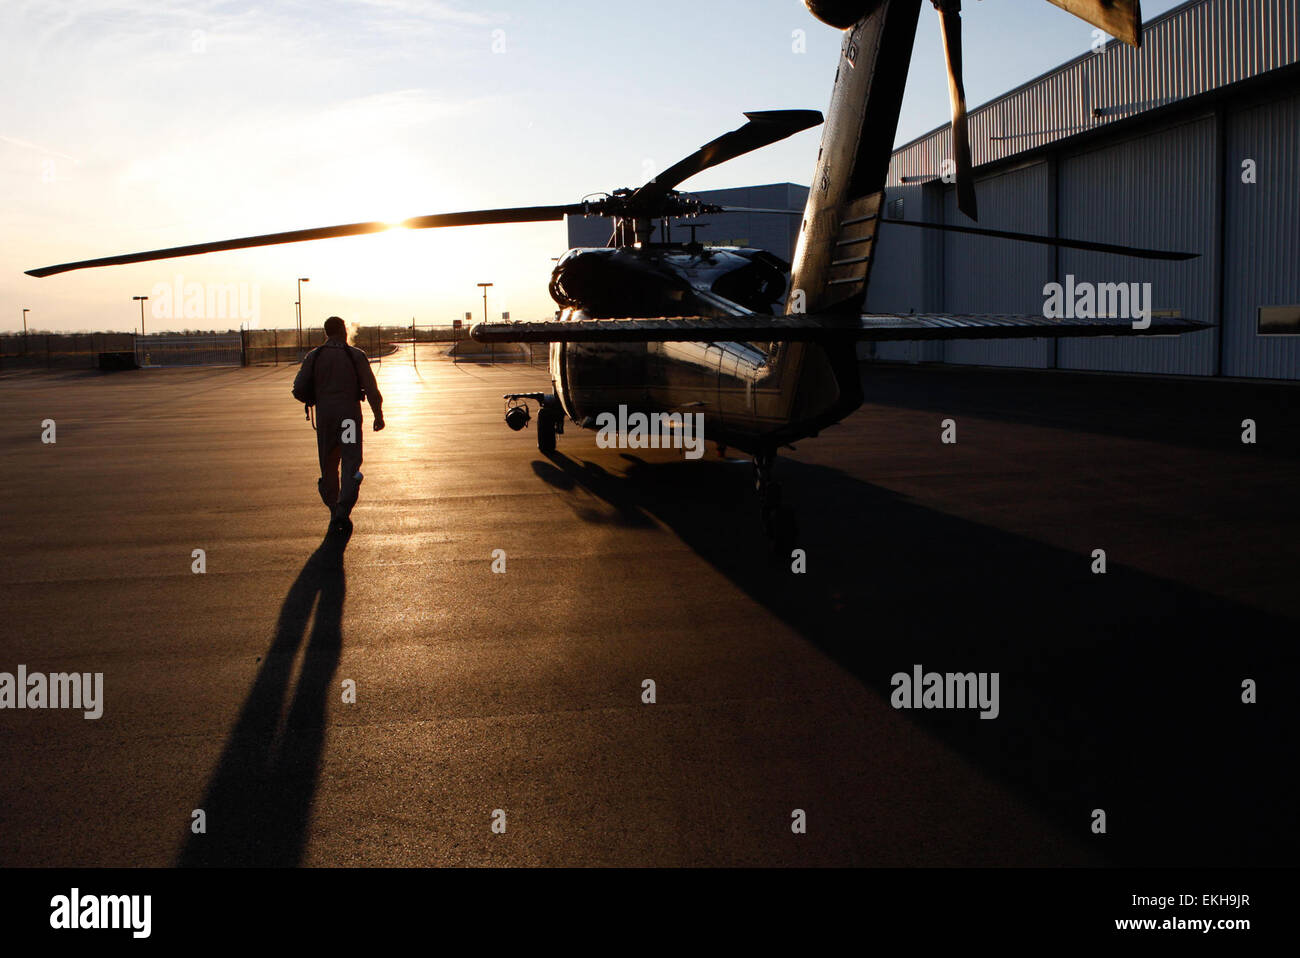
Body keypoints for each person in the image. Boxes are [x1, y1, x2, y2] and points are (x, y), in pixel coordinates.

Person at [293, 316, 385, 535]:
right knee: (350, 464)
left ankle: (334, 509)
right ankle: (343, 509)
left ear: (326, 332)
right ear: (343, 331)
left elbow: (298, 389)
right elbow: (371, 389)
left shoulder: (314, 357)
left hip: (325, 420)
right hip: (348, 420)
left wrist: (315, 398)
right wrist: (378, 415)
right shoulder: (355, 356)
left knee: (328, 465)